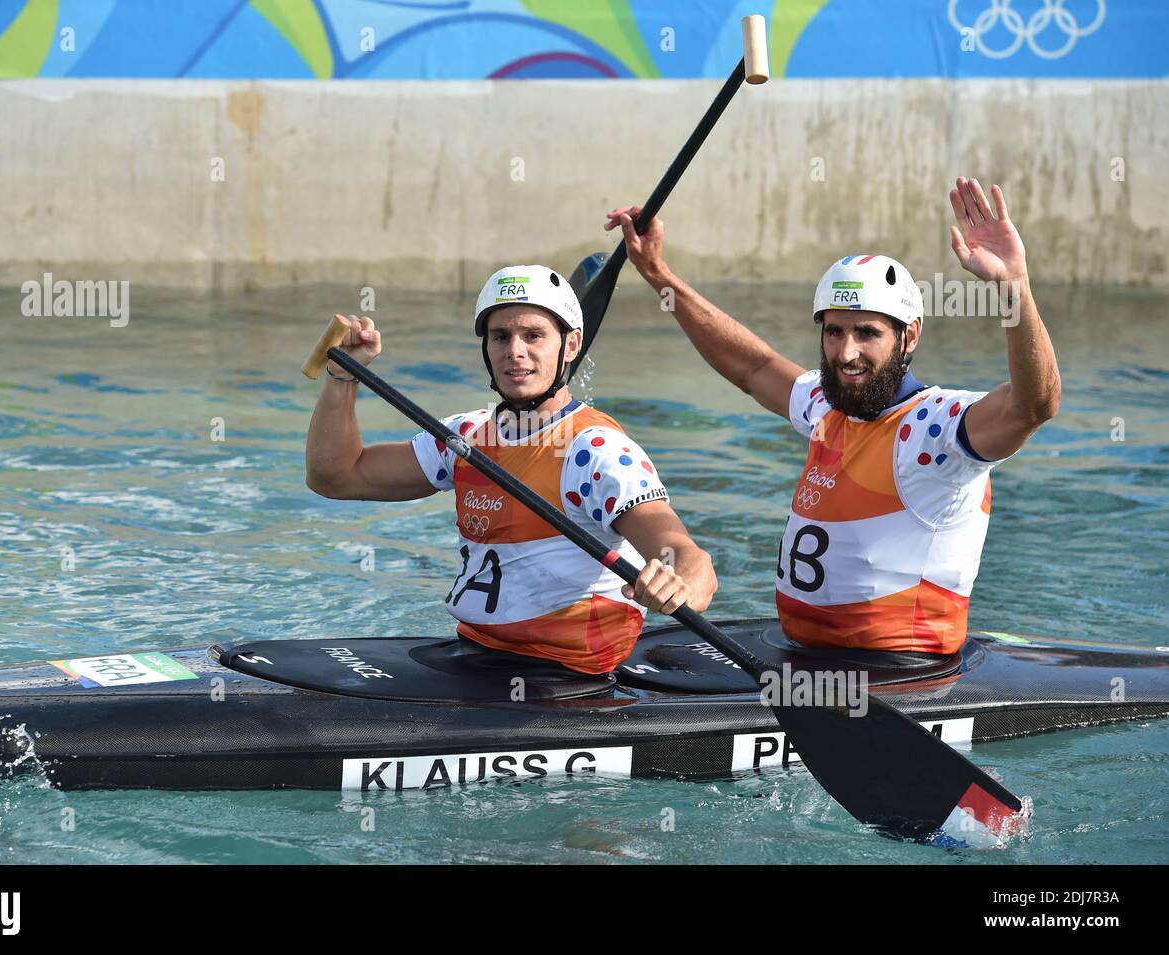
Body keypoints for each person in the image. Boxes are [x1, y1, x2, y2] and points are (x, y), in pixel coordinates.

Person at [605, 177, 1060, 656]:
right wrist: (658, 273)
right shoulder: (828, 404)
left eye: (868, 333)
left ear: (910, 337)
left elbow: (1033, 406)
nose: (847, 354)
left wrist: (1014, 289)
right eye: (835, 332)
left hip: (900, 673)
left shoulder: (936, 427)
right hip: (805, 655)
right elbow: (752, 365)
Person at [306, 264, 717, 675]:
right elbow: (336, 477)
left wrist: (679, 584)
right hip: (477, 652)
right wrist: (343, 377)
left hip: (567, 674)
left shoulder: (595, 450)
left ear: (571, 345)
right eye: (501, 336)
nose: (514, 351)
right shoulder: (466, 434)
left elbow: (685, 555)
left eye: (534, 336)